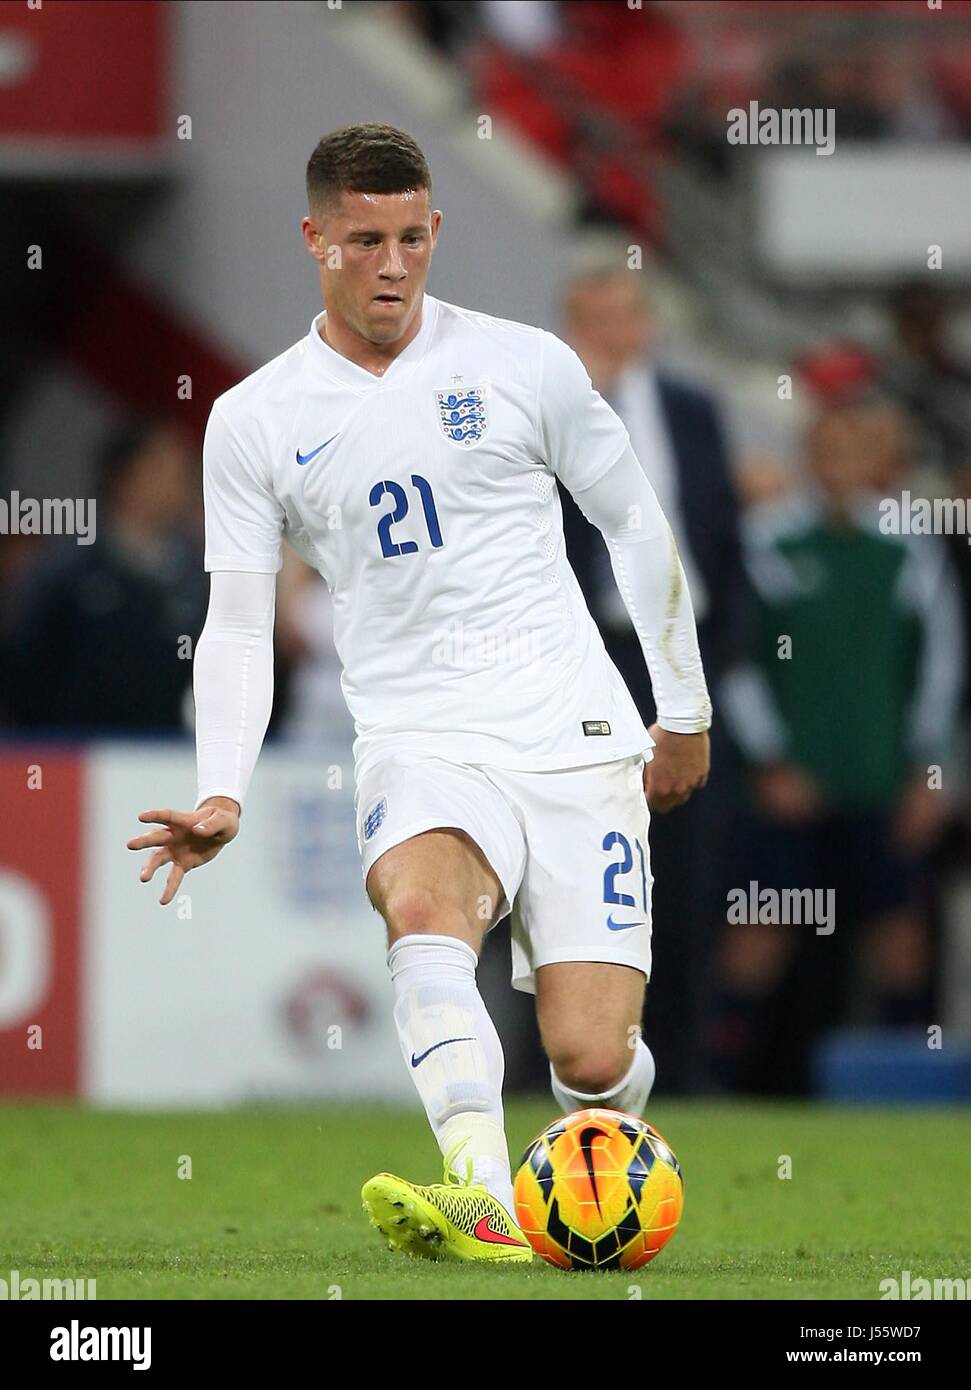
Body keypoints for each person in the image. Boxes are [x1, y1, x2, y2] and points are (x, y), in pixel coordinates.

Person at [126, 123, 711, 1263]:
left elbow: (634, 523)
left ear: (434, 229)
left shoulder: (524, 364)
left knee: (590, 1060)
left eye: (408, 237)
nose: (390, 264)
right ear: (314, 240)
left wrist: (679, 708)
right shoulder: (254, 420)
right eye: (361, 241)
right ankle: (484, 1198)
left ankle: (606, 1137)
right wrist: (221, 789)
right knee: (423, 907)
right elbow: (241, 618)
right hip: (418, 734)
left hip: (572, 732)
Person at [560, 260, 747, 1092]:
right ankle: (559, 1058)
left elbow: (724, 539)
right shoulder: (545, 409)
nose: (612, 334)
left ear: (648, 323)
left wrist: (725, 662)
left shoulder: (692, 411)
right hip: (585, 654)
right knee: (572, 862)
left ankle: (683, 1060)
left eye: (624, 316)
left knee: (688, 864)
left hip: (682, 654)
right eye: (593, 319)